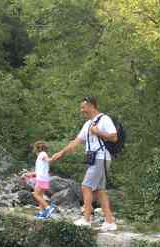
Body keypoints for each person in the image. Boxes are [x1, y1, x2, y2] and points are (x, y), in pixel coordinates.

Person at [50, 96, 118, 230]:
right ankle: (110, 222)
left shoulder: (104, 119)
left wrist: (98, 131)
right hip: (95, 158)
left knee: (86, 186)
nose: (81, 110)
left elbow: (114, 137)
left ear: (91, 105)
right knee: (99, 190)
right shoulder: (87, 124)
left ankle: (86, 219)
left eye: (83, 107)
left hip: (101, 157)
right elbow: (76, 141)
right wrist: (61, 153)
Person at [22, 141, 55, 219]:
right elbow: (38, 171)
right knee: (40, 196)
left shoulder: (42, 154)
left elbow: (48, 159)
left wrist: (52, 158)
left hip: (41, 179)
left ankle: (48, 208)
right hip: (43, 178)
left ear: (36, 149)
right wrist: (28, 174)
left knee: (35, 194)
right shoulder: (40, 157)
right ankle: (42, 213)